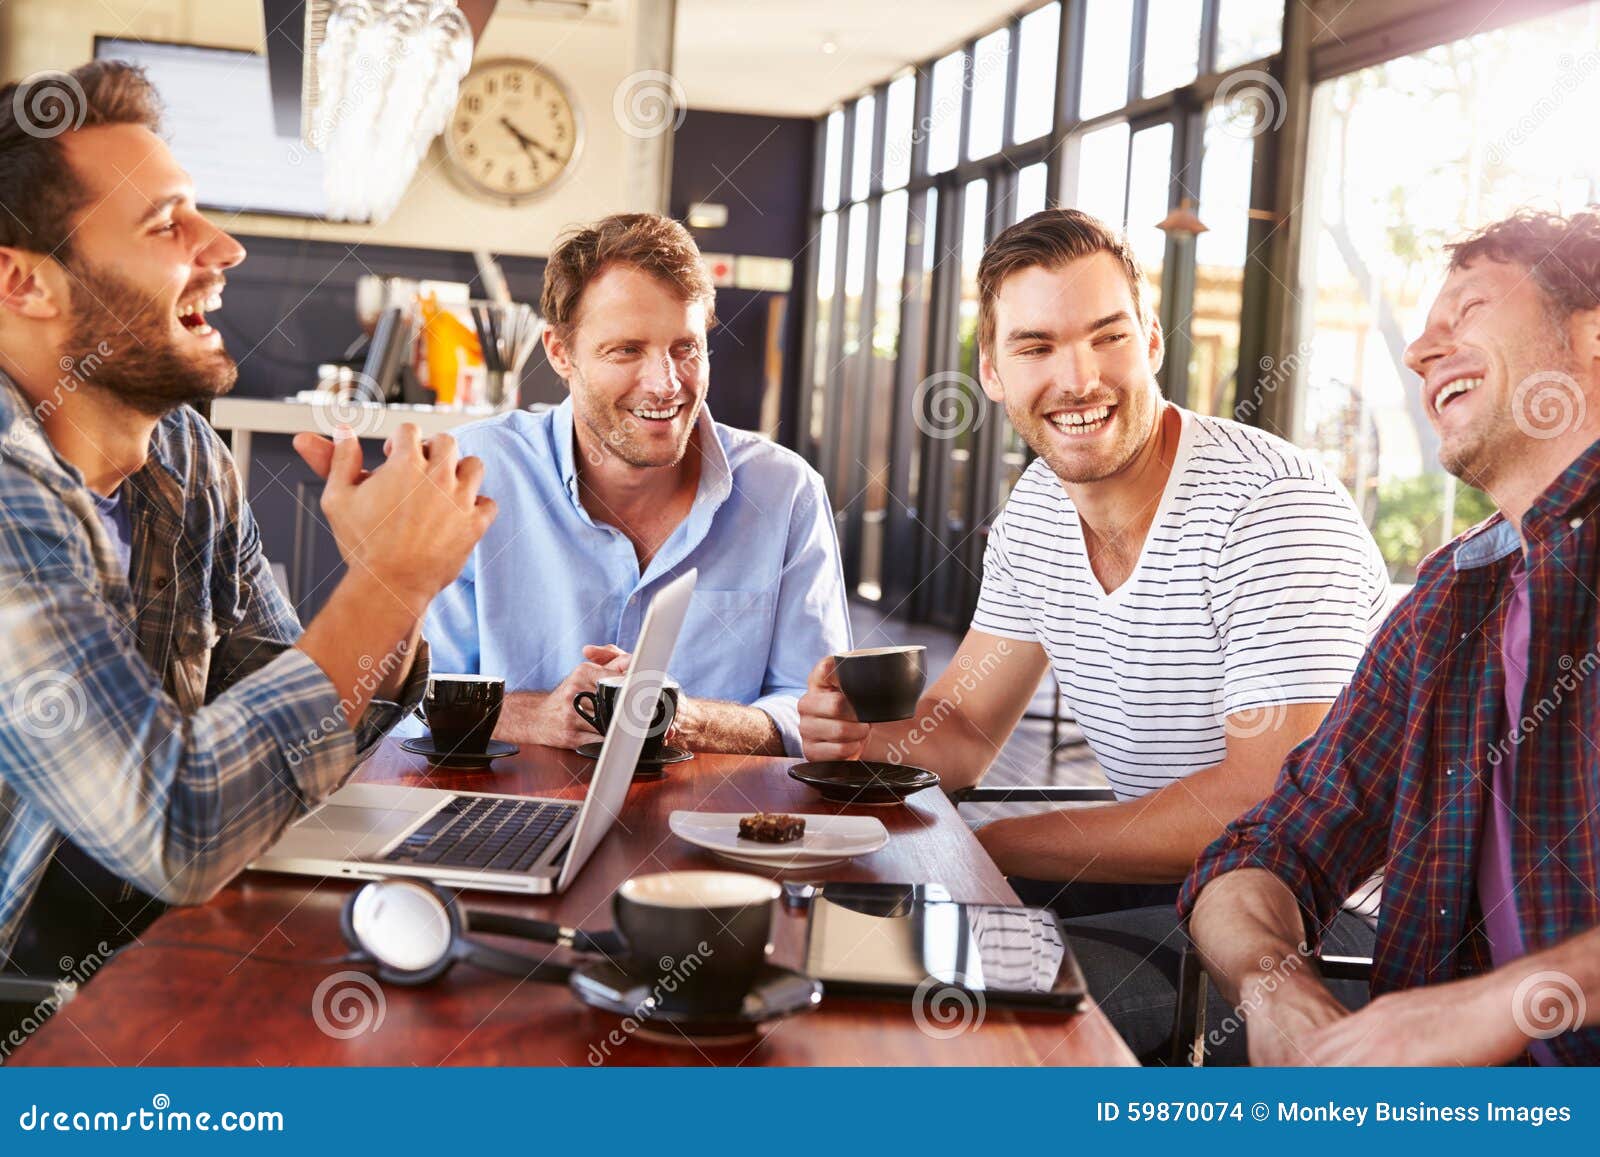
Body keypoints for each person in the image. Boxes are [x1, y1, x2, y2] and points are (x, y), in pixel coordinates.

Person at [797, 208, 1388, 1060]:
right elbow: (960, 730)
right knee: (847, 947)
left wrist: (989, 848)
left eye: (1105, 337)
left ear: (1151, 340)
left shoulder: (1269, 511)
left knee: (942, 1005)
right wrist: (864, 737)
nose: (1078, 379)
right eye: (1036, 347)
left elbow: (1263, 802)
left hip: (1322, 932)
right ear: (992, 372)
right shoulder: (1038, 510)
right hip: (1176, 889)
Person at [0, 63, 492, 1000]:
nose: (222, 247)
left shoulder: (182, 453)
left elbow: (295, 719)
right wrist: (386, 584)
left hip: (142, 945)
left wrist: (393, 593)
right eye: (167, 224)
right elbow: (180, 828)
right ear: (25, 282)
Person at [1181, 209, 1600, 1066]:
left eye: (1470, 308)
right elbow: (1267, 848)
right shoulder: (1448, 604)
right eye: (1423, 330)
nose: (1419, 350)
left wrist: (1506, 1003)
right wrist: (1277, 988)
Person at [408, 213, 849, 757]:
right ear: (560, 353)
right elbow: (413, 697)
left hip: (720, 825)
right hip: (514, 811)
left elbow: (814, 714)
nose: (665, 384)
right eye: (627, 350)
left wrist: (684, 719)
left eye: (685, 348)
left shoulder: (784, 491)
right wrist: (535, 716)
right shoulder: (473, 472)